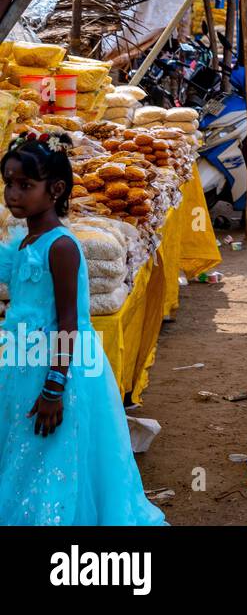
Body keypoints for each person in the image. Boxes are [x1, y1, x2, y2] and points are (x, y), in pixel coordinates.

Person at [0, 132, 165, 524]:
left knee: (52, 447)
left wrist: (54, 389)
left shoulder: (61, 246)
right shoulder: (26, 241)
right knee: (25, 447)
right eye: (8, 183)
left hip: (57, 368)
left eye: (25, 185)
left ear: (56, 189)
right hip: (22, 359)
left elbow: (69, 322)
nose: (13, 194)